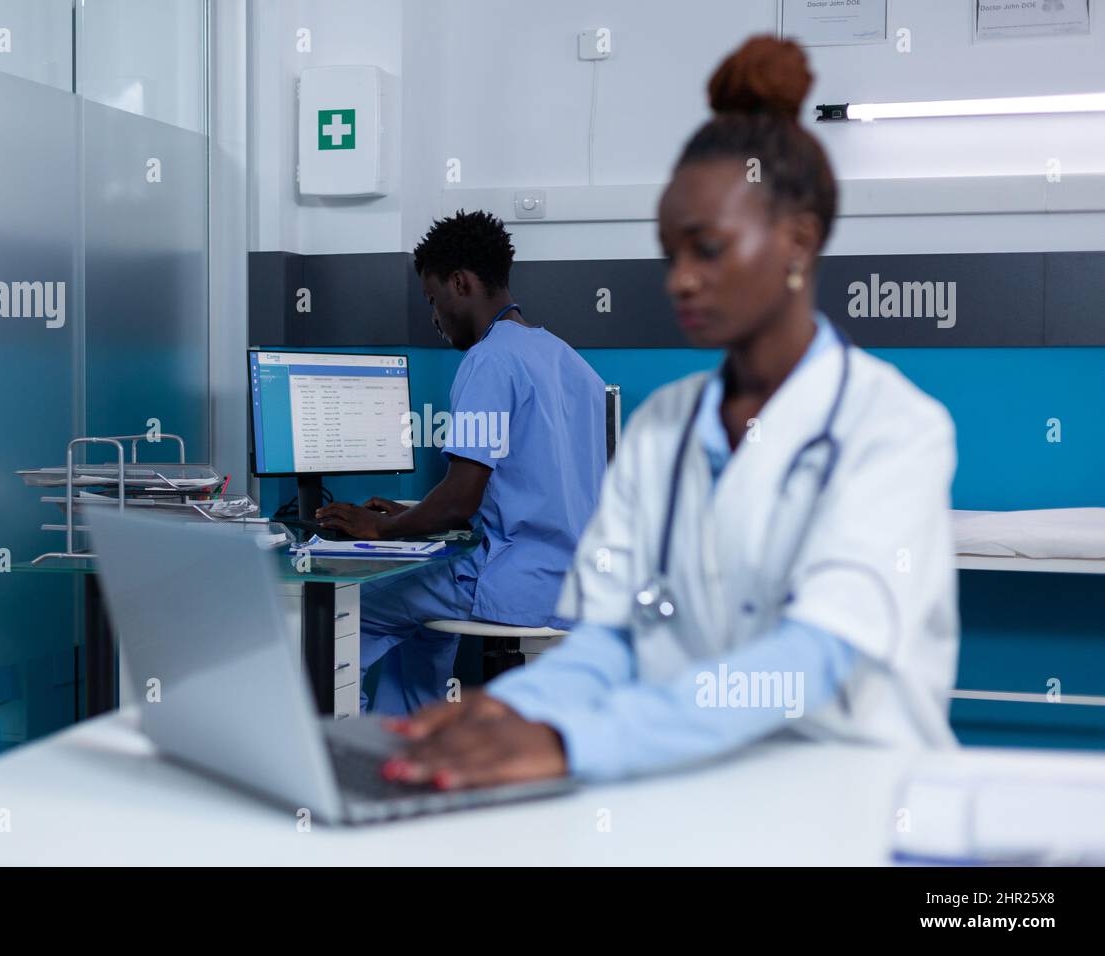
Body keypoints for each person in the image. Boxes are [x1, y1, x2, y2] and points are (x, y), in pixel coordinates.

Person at [378, 36, 961, 789]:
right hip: (700, 784)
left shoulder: (891, 429)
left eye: (708, 248)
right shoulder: (664, 430)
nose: (681, 279)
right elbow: (608, 634)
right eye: (671, 251)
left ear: (798, 242)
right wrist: (512, 710)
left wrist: (574, 740)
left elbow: (808, 661)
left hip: (856, 801)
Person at [316, 210, 607, 715]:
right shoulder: (570, 362)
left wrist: (383, 530)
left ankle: (350, 749)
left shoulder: (489, 360)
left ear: (460, 283)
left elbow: (461, 497)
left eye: (433, 299)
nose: (433, 317)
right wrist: (408, 515)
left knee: (346, 611)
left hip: (517, 585)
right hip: (573, 586)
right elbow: (527, 488)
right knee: (422, 611)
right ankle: (407, 741)